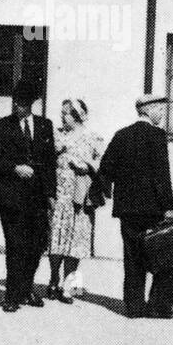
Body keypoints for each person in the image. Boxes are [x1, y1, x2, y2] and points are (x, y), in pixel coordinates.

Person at [98, 94, 173, 319]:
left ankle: (133, 307)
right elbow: (162, 175)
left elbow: (106, 168)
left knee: (133, 257)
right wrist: (168, 206)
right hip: (153, 208)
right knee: (164, 255)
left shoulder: (121, 135)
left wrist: (112, 193)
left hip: (128, 209)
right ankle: (158, 306)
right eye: (160, 110)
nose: (162, 114)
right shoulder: (157, 135)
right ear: (148, 110)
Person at [0, 80, 57, 313]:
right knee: (16, 245)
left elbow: (50, 164)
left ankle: (26, 289)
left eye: (23, 103)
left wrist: (51, 194)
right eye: (15, 102)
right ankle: (12, 295)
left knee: (37, 245)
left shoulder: (45, 126)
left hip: (37, 197)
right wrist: (15, 167)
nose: (18, 106)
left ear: (32, 104)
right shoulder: (1, 126)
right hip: (11, 196)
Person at [47, 98, 102, 303]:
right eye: (62, 113)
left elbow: (102, 162)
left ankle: (68, 285)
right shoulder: (57, 136)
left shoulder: (91, 137)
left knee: (75, 242)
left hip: (80, 197)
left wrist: (87, 166)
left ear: (77, 116)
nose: (62, 116)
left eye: (66, 113)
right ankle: (53, 280)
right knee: (56, 239)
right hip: (59, 195)